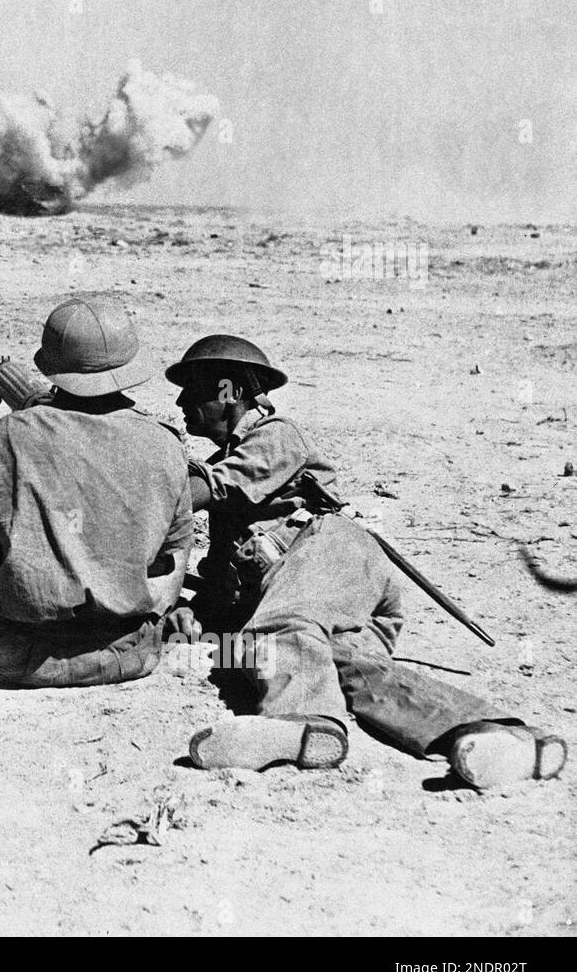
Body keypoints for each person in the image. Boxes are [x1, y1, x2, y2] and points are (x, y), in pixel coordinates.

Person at [168, 334, 567, 789]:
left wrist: (142, 477)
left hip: (331, 555)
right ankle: (498, 738)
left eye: (191, 388)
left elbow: (201, 492)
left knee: (281, 632)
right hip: (331, 602)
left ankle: (301, 720)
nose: (180, 400)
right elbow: (228, 587)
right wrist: (195, 613)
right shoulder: (228, 463)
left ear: (228, 390)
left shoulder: (276, 436)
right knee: (355, 672)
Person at [0, 296, 194, 688]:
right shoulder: (165, 443)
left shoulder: (10, 433)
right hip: (130, 655)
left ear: (51, 366)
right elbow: (173, 555)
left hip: (13, 657)